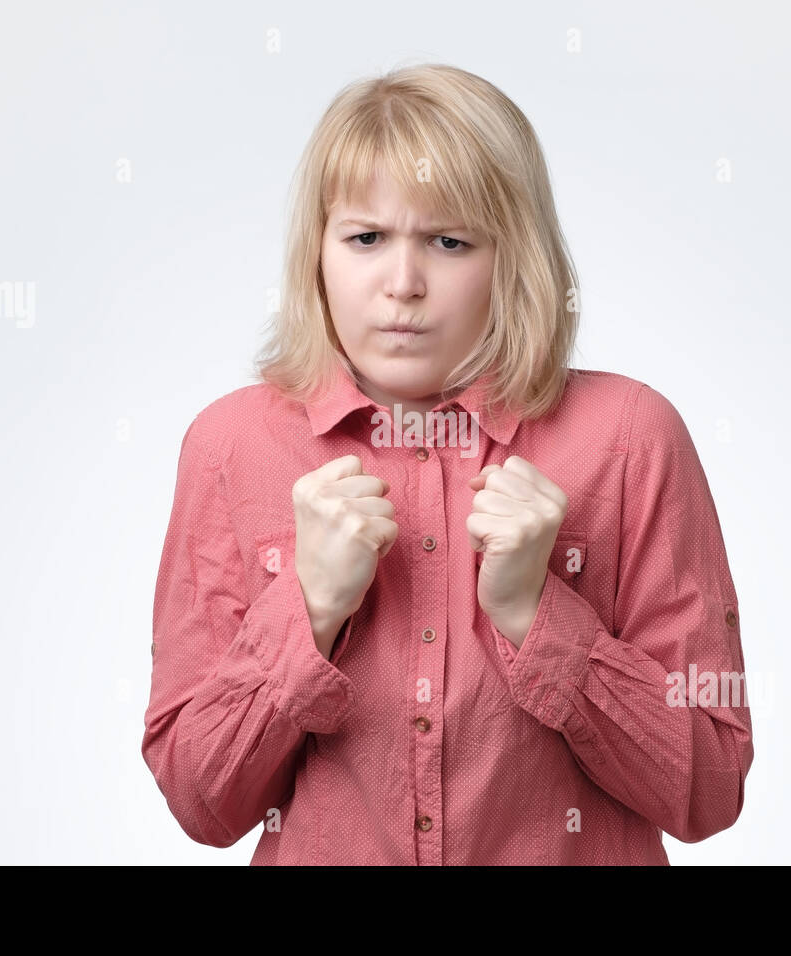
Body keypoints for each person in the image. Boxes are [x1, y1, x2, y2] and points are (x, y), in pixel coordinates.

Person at [141, 63, 753, 865]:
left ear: (513, 258)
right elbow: (200, 801)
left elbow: (709, 789)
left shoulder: (632, 437)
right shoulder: (230, 446)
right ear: (317, 254)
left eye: (449, 241)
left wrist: (540, 618)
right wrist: (310, 608)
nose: (402, 285)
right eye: (366, 238)